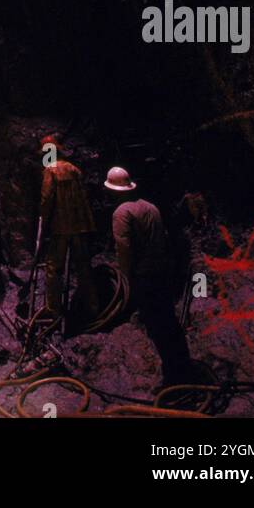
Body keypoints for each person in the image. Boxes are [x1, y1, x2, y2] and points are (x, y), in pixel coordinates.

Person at [104, 166, 193, 387]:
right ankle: (184, 367)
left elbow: (123, 248)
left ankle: (174, 378)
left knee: (156, 326)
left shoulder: (121, 213)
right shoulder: (151, 207)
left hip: (144, 277)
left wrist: (125, 279)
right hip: (162, 272)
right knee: (169, 322)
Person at [39, 135, 98, 318]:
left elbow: (47, 198)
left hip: (61, 227)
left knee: (53, 268)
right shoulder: (74, 169)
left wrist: (44, 220)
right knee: (83, 267)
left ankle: (53, 310)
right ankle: (93, 307)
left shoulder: (50, 170)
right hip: (80, 226)